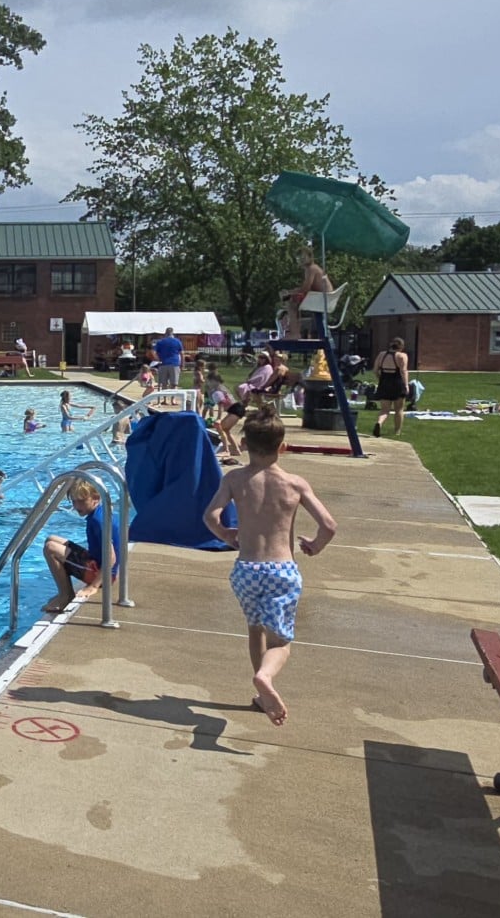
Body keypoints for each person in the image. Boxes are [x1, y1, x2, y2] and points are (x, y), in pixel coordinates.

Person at [201, 405, 337, 726]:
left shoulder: (234, 479)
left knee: (254, 629)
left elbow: (210, 516)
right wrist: (314, 546)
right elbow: (329, 525)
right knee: (281, 642)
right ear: (282, 447)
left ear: (244, 443)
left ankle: (263, 693)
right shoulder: (295, 484)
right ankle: (265, 677)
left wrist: (226, 534)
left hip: (246, 571)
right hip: (281, 573)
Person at [41, 479, 121, 613]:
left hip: (102, 574)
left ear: (96, 498)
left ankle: (66, 595)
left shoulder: (98, 521)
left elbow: (111, 557)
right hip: (97, 562)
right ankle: (65, 592)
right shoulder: (101, 512)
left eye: (81, 501)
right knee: (51, 539)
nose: (76, 506)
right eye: (73, 501)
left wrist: (93, 586)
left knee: (50, 548)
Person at [280, 247, 333, 339]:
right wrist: (293, 292)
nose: (301, 260)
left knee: (292, 303)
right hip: (322, 297)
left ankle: (295, 333)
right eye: (299, 258)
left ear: (310, 257)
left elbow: (305, 288)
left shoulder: (311, 269)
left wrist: (289, 293)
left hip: (324, 299)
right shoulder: (312, 269)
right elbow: (305, 288)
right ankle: (295, 331)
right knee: (294, 300)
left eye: (303, 258)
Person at [372, 337, 410, 438]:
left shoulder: (381, 355)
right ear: (401, 347)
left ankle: (379, 423)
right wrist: (406, 385)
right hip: (397, 382)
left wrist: (380, 379)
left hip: (384, 381)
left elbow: (375, 370)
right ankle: (397, 431)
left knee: (384, 409)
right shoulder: (402, 356)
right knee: (399, 409)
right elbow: (403, 371)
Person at [153, 327, 184, 396]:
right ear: (173, 333)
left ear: (165, 333)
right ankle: (173, 400)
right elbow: (182, 354)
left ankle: (164, 399)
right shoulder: (177, 341)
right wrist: (182, 364)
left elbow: (154, 353)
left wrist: (158, 359)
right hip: (174, 364)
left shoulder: (160, 342)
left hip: (163, 364)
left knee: (164, 384)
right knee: (174, 384)